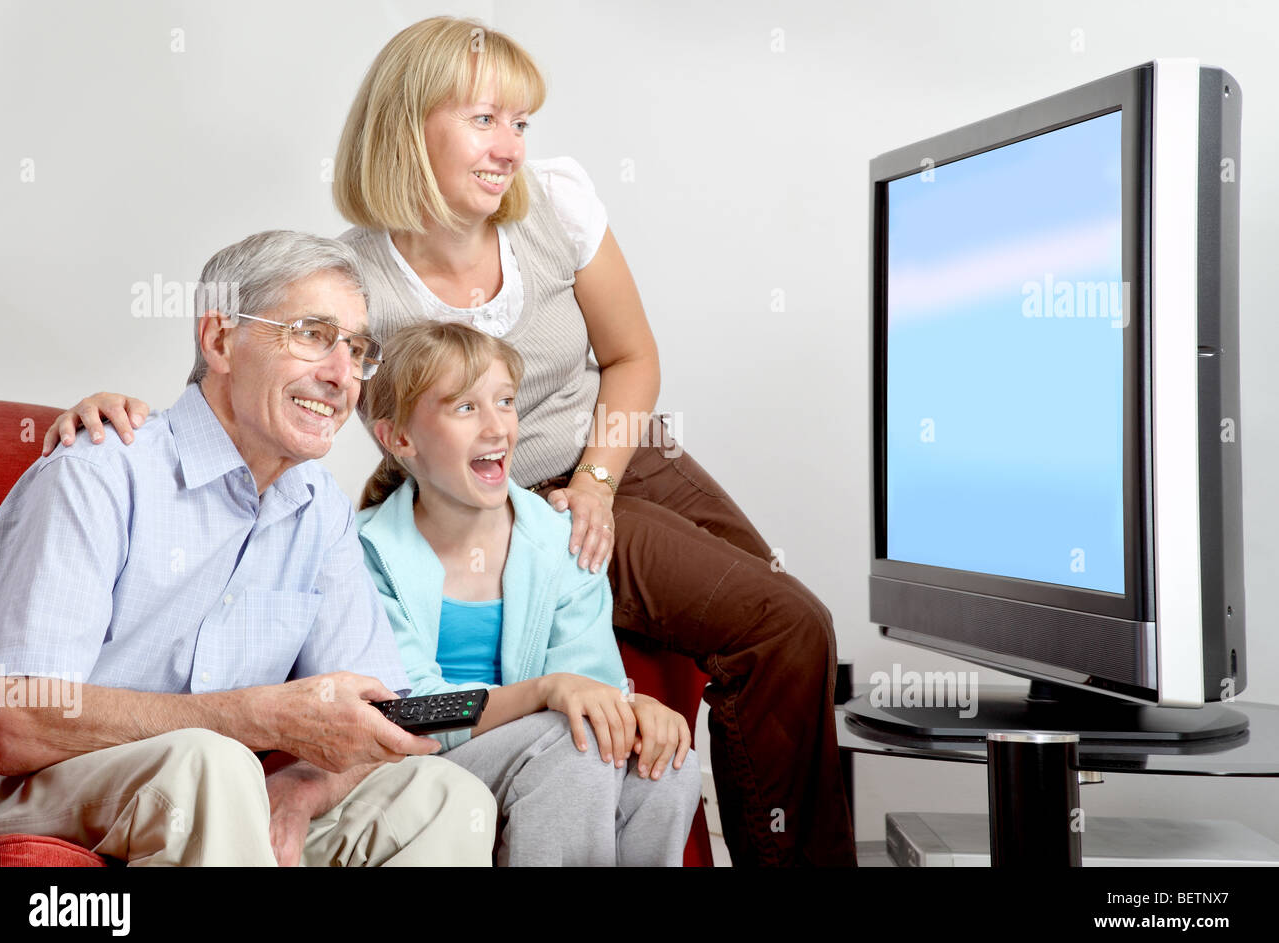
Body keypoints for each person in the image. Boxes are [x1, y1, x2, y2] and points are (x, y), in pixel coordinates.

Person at [42, 16, 855, 866]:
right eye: (483, 119)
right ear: (408, 127)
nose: (510, 147)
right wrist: (116, 412)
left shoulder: (559, 204)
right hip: (508, 498)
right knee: (776, 629)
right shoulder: (356, 281)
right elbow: (246, 373)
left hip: (617, 454)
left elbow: (631, 356)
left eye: (520, 122)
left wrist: (601, 484)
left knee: (795, 629)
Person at [0, 230, 496, 866]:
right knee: (212, 761)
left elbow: (375, 723)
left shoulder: (320, 508)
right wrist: (257, 719)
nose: (342, 375)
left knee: (440, 794)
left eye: (358, 350)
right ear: (220, 339)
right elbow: (13, 722)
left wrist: (301, 790)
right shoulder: (100, 472)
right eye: (313, 334)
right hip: (41, 785)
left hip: (213, 796)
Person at [357, 320, 700, 865]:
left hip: (538, 752)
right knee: (575, 745)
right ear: (400, 439)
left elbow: (592, 685)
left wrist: (637, 708)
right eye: (465, 408)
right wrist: (543, 693)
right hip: (413, 771)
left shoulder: (559, 537)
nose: (496, 427)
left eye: (506, 401)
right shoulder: (365, 553)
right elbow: (408, 714)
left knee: (664, 766)